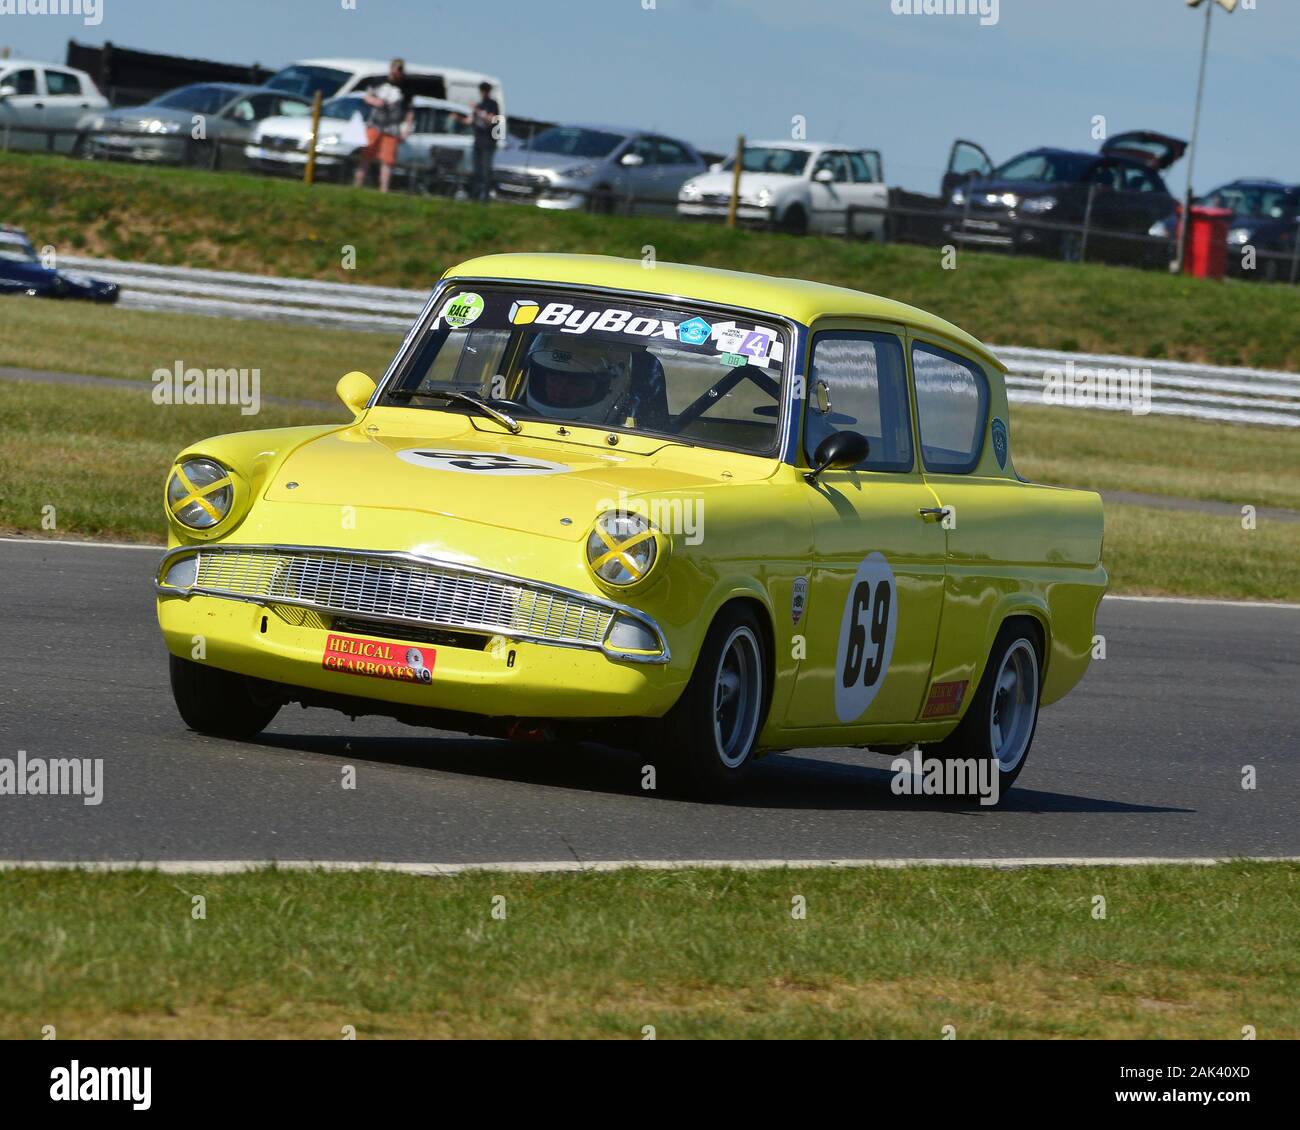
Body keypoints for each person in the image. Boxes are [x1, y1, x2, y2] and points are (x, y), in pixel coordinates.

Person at [354, 58, 414, 194]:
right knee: (366, 156)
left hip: (392, 128)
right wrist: (375, 101)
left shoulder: (407, 88)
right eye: (396, 69)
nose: (397, 72)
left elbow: (409, 110)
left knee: (388, 160)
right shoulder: (379, 81)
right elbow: (366, 96)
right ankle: (358, 186)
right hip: (374, 124)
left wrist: (407, 128)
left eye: (400, 70)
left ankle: (384, 190)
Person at [460, 80, 501, 201]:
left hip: (488, 142)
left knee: (485, 170)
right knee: (476, 170)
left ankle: (486, 196)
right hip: (478, 140)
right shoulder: (480, 105)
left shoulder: (492, 104)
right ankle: (475, 195)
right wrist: (458, 118)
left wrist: (478, 111)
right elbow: (470, 121)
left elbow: (492, 119)